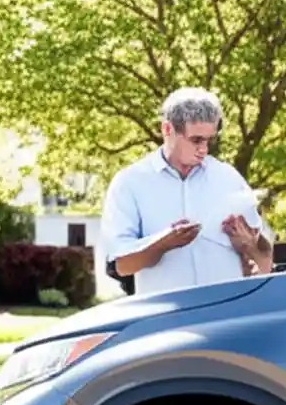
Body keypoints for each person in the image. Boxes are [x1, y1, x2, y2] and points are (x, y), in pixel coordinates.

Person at [100, 87, 274, 295]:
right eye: (196, 140)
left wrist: (249, 246)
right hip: (166, 320)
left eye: (209, 140)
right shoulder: (130, 183)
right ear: (167, 130)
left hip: (226, 317)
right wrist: (164, 243)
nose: (204, 150)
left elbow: (265, 262)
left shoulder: (229, 178)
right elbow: (121, 265)